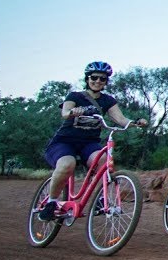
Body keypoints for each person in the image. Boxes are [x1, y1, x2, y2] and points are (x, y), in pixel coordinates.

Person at [38, 61, 147, 221]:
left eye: (102, 79)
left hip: (88, 144)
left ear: (106, 82)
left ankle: (102, 199)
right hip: (64, 142)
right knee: (67, 164)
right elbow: (65, 112)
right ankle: (52, 203)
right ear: (87, 78)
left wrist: (135, 122)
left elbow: (121, 119)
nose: (97, 81)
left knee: (104, 160)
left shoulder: (107, 100)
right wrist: (74, 111)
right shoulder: (74, 96)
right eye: (94, 77)